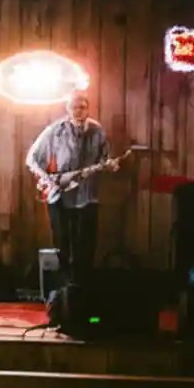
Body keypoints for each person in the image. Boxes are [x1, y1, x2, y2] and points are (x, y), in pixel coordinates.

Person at [25, 88, 117, 287]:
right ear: (67, 109)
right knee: (63, 242)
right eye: (74, 107)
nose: (78, 111)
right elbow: (32, 159)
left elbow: (105, 157)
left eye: (82, 107)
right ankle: (66, 289)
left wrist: (110, 164)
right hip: (60, 196)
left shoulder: (97, 130)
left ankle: (83, 288)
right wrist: (46, 179)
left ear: (88, 109)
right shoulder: (54, 131)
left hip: (87, 196)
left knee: (86, 245)